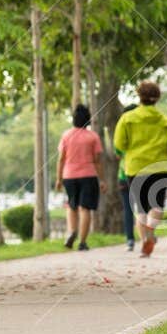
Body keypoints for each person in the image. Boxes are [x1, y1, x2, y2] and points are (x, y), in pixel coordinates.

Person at [113, 81, 167, 257]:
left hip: (135, 167)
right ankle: (151, 230)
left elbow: (119, 144)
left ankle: (144, 243)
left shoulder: (127, 119)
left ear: (139, 96)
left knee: (140, 208)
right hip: (159, 167)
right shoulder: (166, 121)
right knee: (156, 206)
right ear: (157, 98)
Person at [54, 103, 104, 251]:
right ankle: (82, 242)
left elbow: (61, 159)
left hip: (69, 175)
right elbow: (97, 161)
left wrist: (59, 179)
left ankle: (72, 232)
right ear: (88, 119)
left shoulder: (66, 135)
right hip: (88, 175)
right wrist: (101, 180)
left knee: (71, 205)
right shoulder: (93, 137)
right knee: (85, 208)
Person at [117, 103, 137, 251]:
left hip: (124, 174)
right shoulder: (143, 134)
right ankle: (148, 234)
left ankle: (130, 239)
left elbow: (117, 152)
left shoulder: (121, 131)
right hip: (142, 171)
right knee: (146, 206)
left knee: (128, 208)